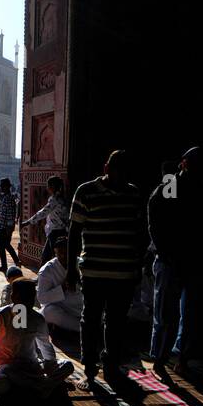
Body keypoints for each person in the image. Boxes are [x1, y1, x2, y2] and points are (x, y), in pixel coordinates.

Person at [65, 149, 148, 389]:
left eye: (124, 172)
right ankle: (90, 368)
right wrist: (71, 269)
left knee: (116, 322)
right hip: (94, 271)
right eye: (116, 171)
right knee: (90, 320)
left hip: (123, 272)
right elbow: (74, 233)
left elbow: (139, 232)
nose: (120, 176)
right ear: (106, 169)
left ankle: (110, 365)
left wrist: (136, 266)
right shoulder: (86, 192)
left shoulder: (133, 194)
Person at [147, 146, 203, 379]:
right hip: (172, 259)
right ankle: (161, 357)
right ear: (184, 163)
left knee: (190, 312)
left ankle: (179, 358)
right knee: (167, 313)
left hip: (193, 260)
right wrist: (165, 251)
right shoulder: (172, 185)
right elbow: (157, 221)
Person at [0, 279, 74, 399]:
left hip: (30, 366)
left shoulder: (37, 319)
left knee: (67, 365)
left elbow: (45, 346)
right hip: (4, 366)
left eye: (30, 298)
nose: (27, 303)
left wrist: (51, 366)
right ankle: (44, 386)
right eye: (23, 298)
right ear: (13, 297)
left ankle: (39, 386)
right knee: (6, 376)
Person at [36, 235, 83, 332]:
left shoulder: (81, 264)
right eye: (60, 253)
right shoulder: (46, 270)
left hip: (81, 306)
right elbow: (42, 298)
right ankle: (83, 329)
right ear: (55, 252)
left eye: (67, 253)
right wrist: (62, 288)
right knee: (49, 312)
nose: (64, 256)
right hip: (62, 308)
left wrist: (80, 281)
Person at [23, 175, 70, 264]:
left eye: (48, 186)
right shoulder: (61, 198)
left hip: (56, 232)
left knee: (54, 259)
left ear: (52, 187)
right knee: (46, 257)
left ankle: (52, 276)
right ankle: (42, 277)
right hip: (57, 231)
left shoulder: (55, 200)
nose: (47, 188)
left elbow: (42, 213)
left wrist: (27, 222)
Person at [0, 176, 20, 272]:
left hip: (6, 226)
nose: (1, 188)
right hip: (4, 225)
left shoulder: (8, 198)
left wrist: (9, 227)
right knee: (4, 245)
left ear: (6, 187)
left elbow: (10, 214)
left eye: (2, 186)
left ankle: (14, 262)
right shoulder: (6, 197)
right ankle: (9, 264)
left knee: (5, 245)